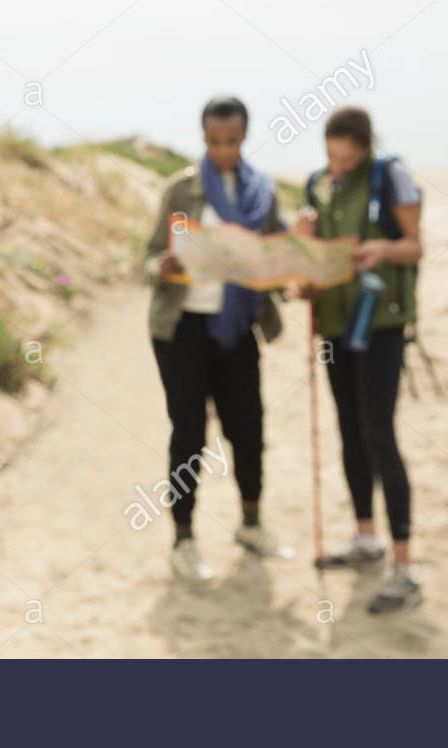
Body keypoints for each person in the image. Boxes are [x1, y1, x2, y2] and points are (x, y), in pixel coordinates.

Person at [144, 96, 292, 584]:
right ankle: (183, 540)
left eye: (230, 141)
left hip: (238, 329)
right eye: (213, 141)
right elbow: (147, 259)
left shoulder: (261, 193)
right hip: (181, 328)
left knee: (248, 429)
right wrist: (161, 266)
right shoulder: (180, 189)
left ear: (244, 136)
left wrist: (287, 269)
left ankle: (251, 524)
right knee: (188, 435)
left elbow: (281, 256)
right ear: (203, 136)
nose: (222, 149)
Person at [293, 106, 423, 613]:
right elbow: (317, 259)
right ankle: (366, 540)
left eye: (347, 157)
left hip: (382, 325)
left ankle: (405, 567)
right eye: (331, 156)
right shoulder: (318, 186)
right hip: (334, 325)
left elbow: (415, 246)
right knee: (349, 429)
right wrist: (304, 268)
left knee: (379, 433)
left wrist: (381, 251)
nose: (339, 165)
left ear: (365, 147)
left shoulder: (390, 175)